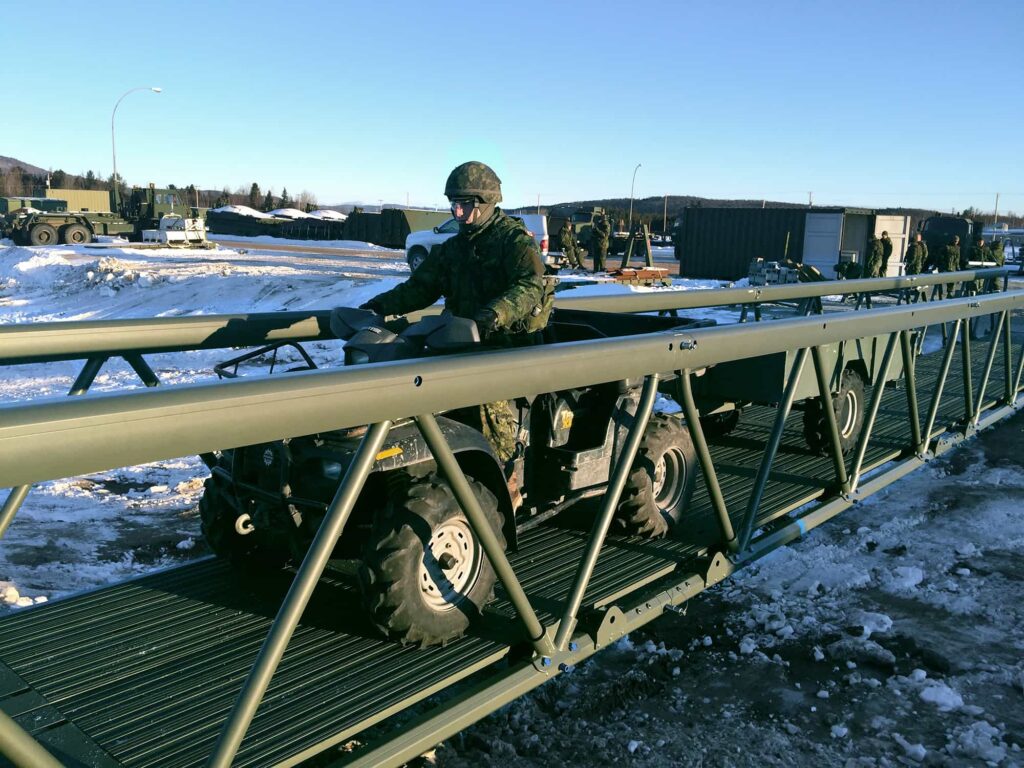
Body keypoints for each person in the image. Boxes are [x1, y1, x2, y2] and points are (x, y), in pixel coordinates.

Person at [358, 161, 552, 466]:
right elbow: (420, 288)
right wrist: (379, 305)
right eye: (454, 206)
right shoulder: (453, 248)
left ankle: (504, 472)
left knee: (487, 404)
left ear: (487, 203)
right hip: (457, 341)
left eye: (464, 206)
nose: (457, 213)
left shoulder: (513, 242)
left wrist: (493, 315)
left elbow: (529, 287)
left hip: (504, 346)